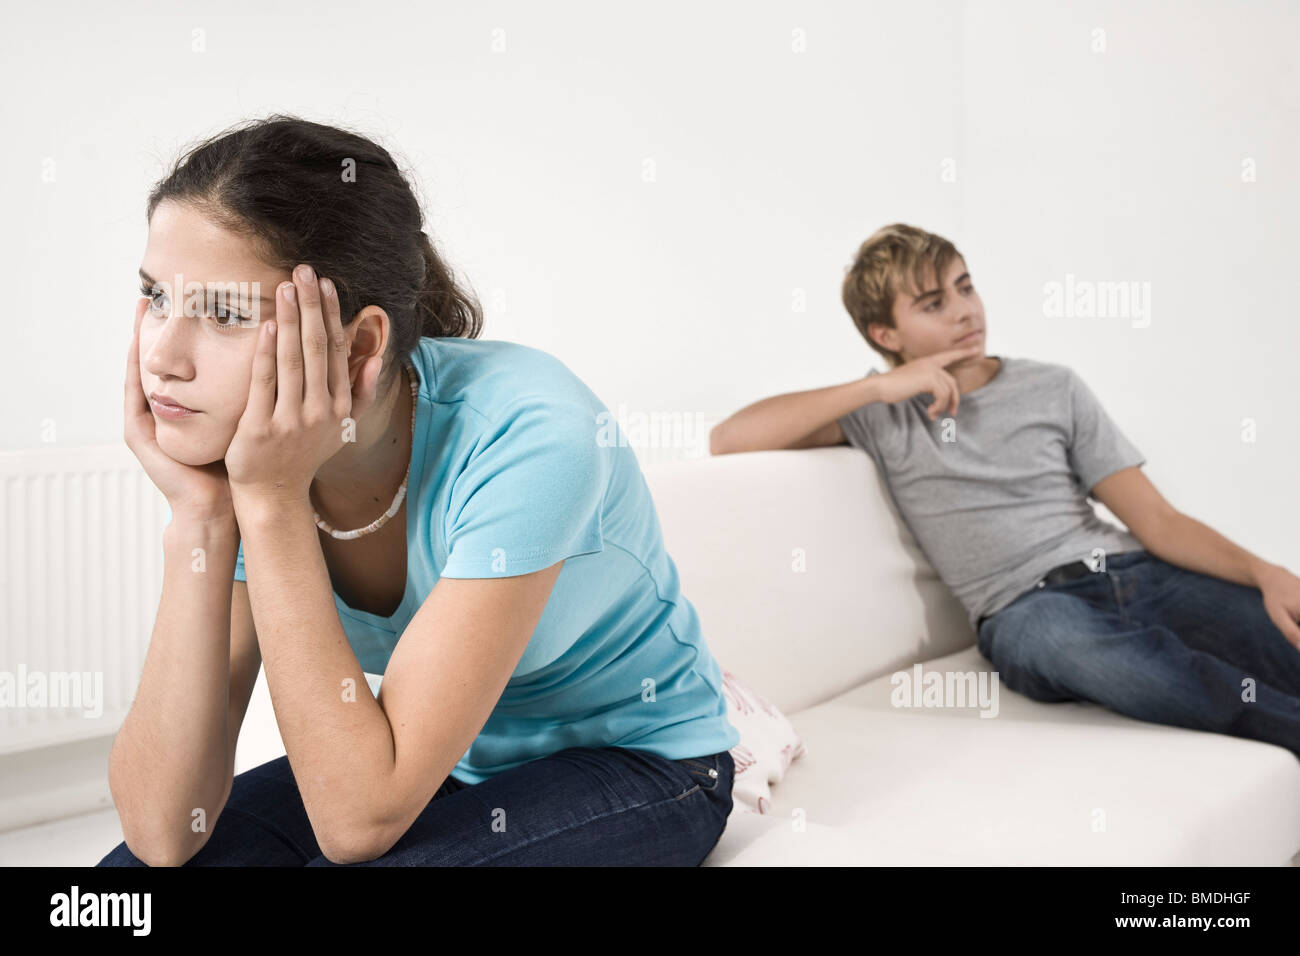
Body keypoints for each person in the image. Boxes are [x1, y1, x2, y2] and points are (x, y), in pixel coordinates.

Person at [99, 114, 737, 868]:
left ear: (360, 345)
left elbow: (356, 824)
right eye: (157, 298)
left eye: (226, 313)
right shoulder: (244, 458)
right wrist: (203, 521)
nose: (162, 357)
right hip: (436, 760)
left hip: (641, 760)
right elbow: (163, 832)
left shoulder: (533, 433)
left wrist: (269, 506)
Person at [710, 221, 1300, 759]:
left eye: (966, 288)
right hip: (1025, 608)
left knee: (1274, 631)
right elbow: (729, 438)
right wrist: (880, 388)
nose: (965, 311)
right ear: (885, 332)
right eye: (934, 303)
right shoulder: (882, 414)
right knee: (1104, 655)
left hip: (1134, 571)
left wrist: (1265, 572)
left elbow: (1159, 522)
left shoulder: (1053, 386)